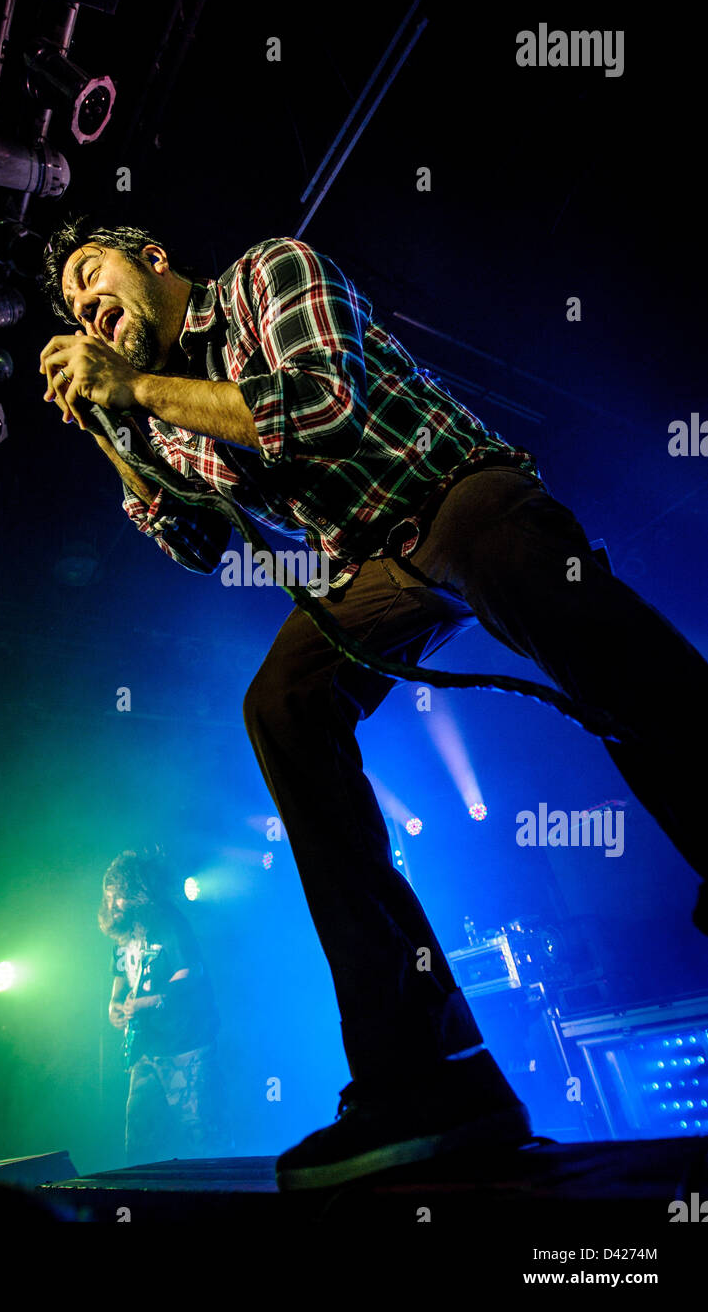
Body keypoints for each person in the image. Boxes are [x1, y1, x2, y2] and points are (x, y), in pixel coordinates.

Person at [41, 219, 708, 1190]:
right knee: (282, 705)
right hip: (375, 569)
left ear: (150, 259)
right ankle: (424, 1069)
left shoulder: (267, 272)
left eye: (90, 275)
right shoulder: (163, 409)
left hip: (456, 490)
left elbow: (320, 407)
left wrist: (134, 391)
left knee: (572, 620)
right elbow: (191, 540)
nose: (84, 307)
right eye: (70, 308)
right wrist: (111, 427)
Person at [98, 849, 228, 1166]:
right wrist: (114, 1004)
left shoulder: (169, 921)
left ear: (138, 893)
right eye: (109, 897)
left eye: (119, 897)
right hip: (146, 1048)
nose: (113, 905)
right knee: (140, 1139)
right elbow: (120, 973)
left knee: (203, 1136)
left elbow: (190, 972)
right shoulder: (124, 930)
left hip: (186, 1045)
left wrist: (151, 1001)